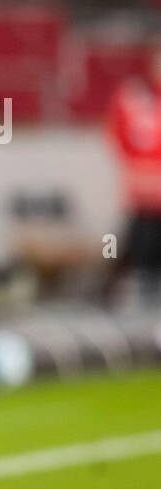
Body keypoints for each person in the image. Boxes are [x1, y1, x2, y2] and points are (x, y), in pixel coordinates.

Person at [103, 39, 161, 306]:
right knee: (141, 248)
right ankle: (136, 291)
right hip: (144, 197)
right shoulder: (132, 97)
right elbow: (118, 137)